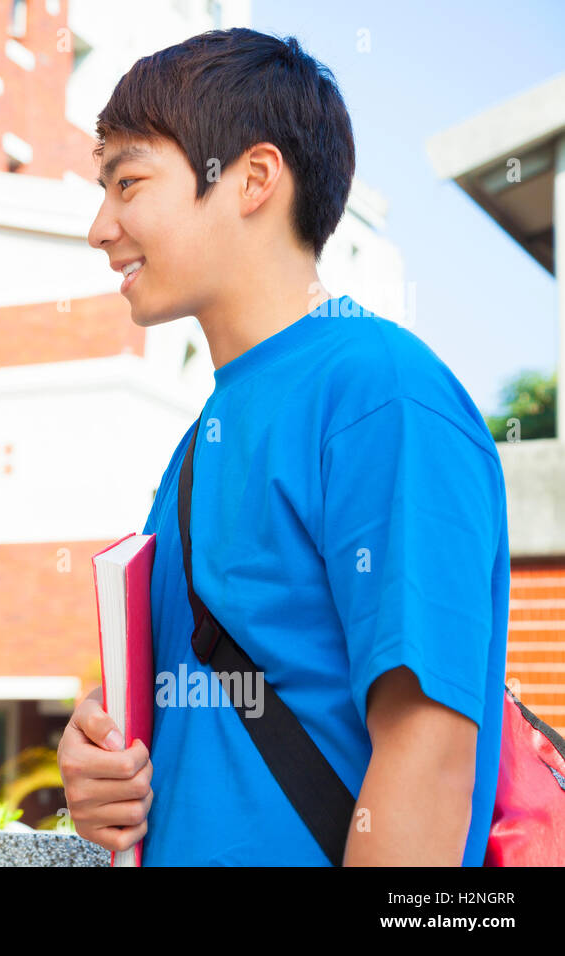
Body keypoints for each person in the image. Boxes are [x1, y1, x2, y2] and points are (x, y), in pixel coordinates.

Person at [58, 28, 509, 865]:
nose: (100, 227)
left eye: (127, 182)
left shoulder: (383, 392)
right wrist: (98, 755)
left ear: (252, 179)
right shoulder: (195, 448)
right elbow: (218, 704)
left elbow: (431, 758)